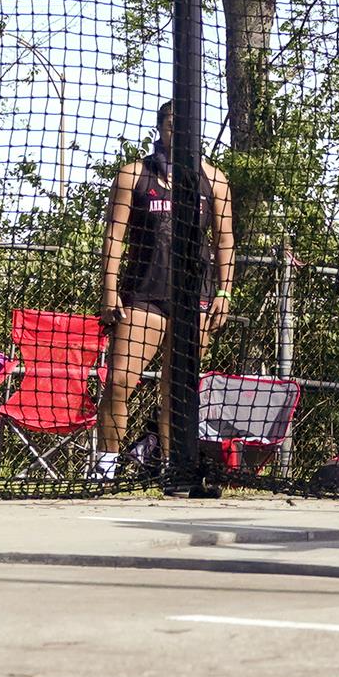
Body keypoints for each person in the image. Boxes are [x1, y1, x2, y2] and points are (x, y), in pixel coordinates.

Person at [93, 101, 235, 479]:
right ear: (161, 127)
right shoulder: (133, 175)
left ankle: (174, 467)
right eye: (172, 124)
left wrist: (224, 293)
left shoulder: (214, 179)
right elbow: (114, 236)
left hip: (195, 298)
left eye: (186, 124)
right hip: (144, 296)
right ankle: (105, 466)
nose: (179, 130)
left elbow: (225, 241)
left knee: (179, 390)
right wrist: (109, 290)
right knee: (119, 380)